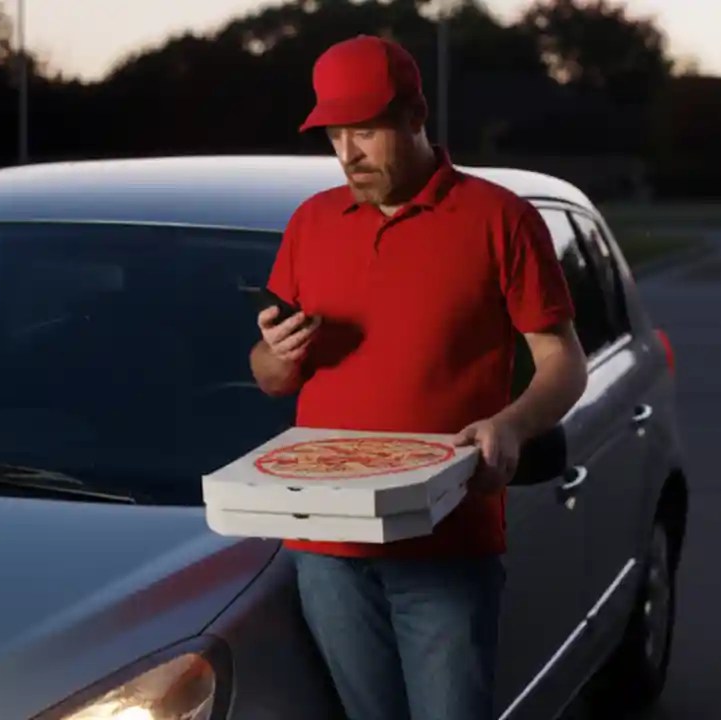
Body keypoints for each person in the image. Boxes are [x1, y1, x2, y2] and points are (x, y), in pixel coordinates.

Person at [248, 35, 589, 720]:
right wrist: (277, 357)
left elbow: (565, 363)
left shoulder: (502, 219)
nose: (348, 154)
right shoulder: (310, 223)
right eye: (335, 135)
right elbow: (268, 378)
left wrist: (512, 424)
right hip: (326, 546)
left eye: (365, 131)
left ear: (415, 115)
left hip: (446, 541)